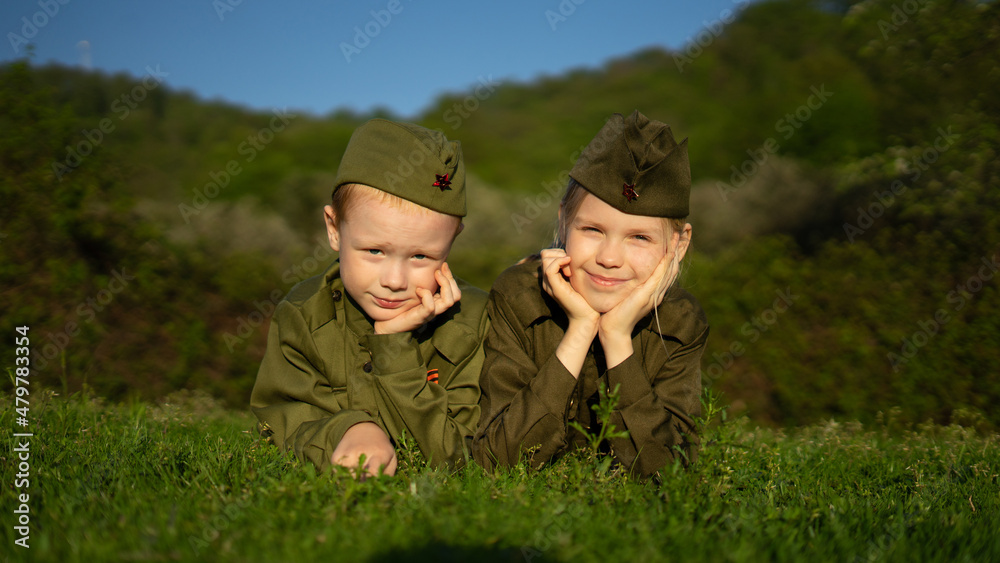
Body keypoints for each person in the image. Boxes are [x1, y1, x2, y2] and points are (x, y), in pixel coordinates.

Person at [473, 110, 708, 477]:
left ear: (678, 245)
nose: (609, 259)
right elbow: (499, 460)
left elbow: (669, 475)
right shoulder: (518, 295)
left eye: (640, 237)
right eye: (593, 230)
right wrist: (581, 328)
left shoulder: (681, 320)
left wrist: (616, 338)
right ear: (564, 220)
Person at [251, 119, 488, 477]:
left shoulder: (471, 321)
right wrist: (349, 431)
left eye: (421, 256)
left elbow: (457, 456)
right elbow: (279, 420)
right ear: (334, 229)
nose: (394, 281)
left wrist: (394, 346)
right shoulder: (303, 315)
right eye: (374, 250)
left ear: (452, 241)